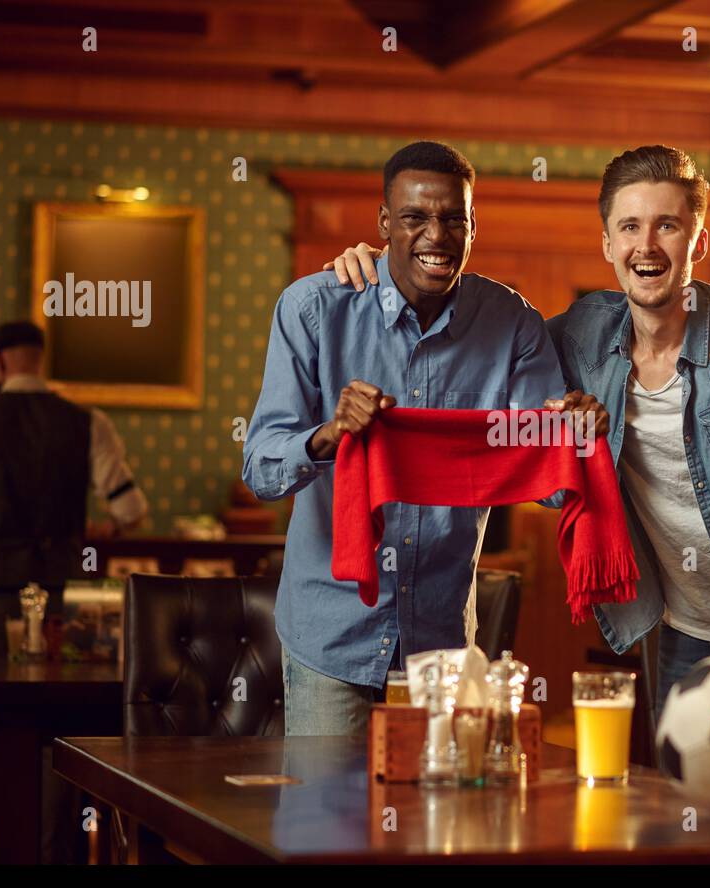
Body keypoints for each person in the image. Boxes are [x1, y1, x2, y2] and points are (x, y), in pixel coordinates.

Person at [326, 146, 710, 721]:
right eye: (629, 227)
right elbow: (480, 333)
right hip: (680, 624)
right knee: (681, 797)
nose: (646, 246)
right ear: (608, 245)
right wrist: (389, 266)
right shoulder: (581, 336)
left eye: (667, 226)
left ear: (698, 242)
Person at [242, 141, 605, 738]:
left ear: (471, 225)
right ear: (385, 224)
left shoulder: (513, 323)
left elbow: (547, 482)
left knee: (441, 824)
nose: (436, 235)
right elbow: (260, 467)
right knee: (322, 827)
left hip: (442, 641)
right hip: (330, 632)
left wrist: (574, 442)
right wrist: (331, 435)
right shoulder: (312, 309)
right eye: (414, 218)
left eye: (452, 218)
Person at [0, 320, 148, 659]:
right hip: (68, 598)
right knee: (65, 704)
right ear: (39, 360)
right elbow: (131, 511)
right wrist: (104, 529)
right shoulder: (89, 422)